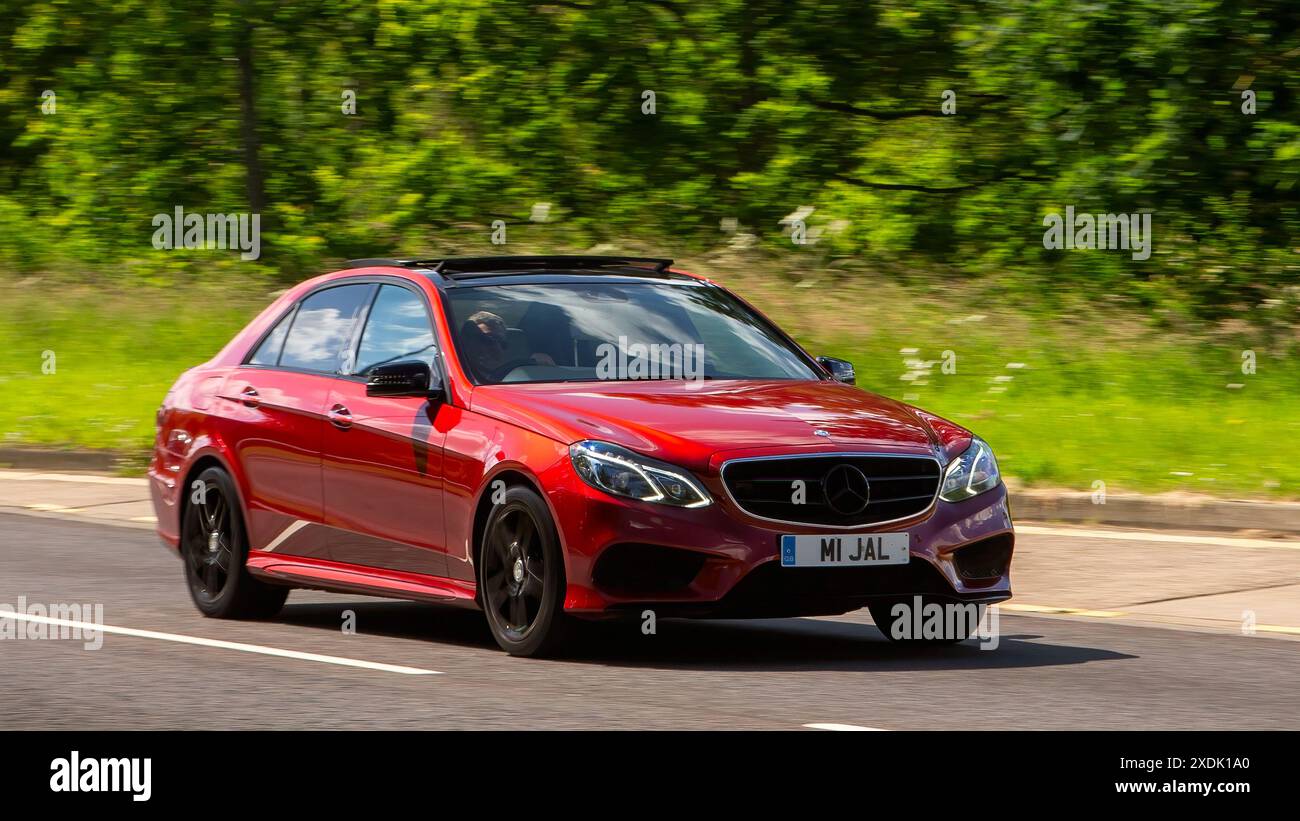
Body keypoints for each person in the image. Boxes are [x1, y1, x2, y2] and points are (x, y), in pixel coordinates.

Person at [460, 310, 554, 381]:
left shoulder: (519, 376)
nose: (496, 348)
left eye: (502, 343)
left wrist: (541, 366)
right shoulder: (453, 375)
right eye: (487, 340)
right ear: (466, 341)